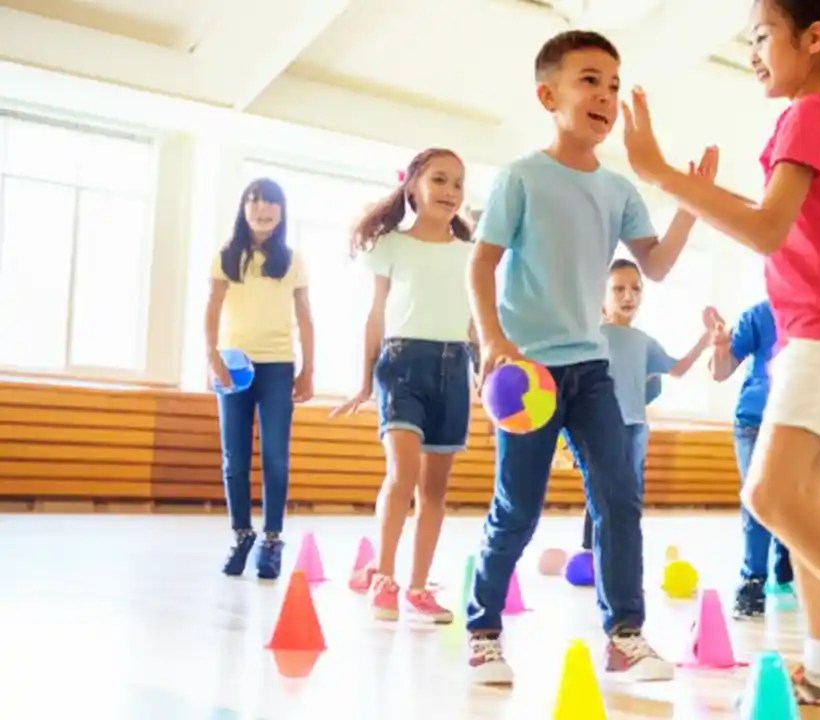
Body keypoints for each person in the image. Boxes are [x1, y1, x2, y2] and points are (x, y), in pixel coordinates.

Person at [619, 0, 820, 712]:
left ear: (815, 37)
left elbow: (767, 230)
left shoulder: (811, 114)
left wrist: (663, 176)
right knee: (802, 506)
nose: (752, 52)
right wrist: (686, 183)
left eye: (761, 36)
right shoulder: (814, 116)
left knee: (767, 496)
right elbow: (778, 223)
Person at [464, 30, 716, 685]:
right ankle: (483, 632)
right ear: (548, 95)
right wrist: (493, 341)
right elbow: (482, 263)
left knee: (619, 500)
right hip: (527, 376)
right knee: (516, 509)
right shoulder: (521, 177)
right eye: (589, 80)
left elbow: (655, 265)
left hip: (591, 369)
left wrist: (689, 203)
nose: (605, 94)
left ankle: (625, 635)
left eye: (612, 83)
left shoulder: (618, 189)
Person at [332, 148, 475, 623]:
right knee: (402, 475)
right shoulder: (389, 245)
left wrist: (486, 372)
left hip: (453, 369)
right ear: (414, 185)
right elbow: (375, 315)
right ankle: (384, 578)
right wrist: (363, 381)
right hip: (401, 365)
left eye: (457, 183)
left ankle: (417, 587)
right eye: (439, 180)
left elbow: (474, 324)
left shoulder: (470, 255)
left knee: (435, 490)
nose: (450, 192)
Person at [706, 302, 820, 634]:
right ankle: (753, 579)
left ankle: (788, 573)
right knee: (759, 502)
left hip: (805, 421)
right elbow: (720, 372)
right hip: (755, 421)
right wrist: (721, 348)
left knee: (797, 503)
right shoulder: (760, 313)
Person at [205, 178, 314, 580]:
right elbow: (212, 308)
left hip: (278, 365)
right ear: (243, 208)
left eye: (271, 202)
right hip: (234, 364)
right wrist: (211, 357)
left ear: (282, 212)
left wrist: (308, 370)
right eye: (255, 201)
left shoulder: (291, 260)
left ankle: (271, 539)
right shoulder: (227, 256)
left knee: (274, 455)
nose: (263, 209)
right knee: (234, 457)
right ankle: (241, 534)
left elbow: (305, 316)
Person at [578, 258, 710, 550]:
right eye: (619, 289)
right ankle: (591, 550)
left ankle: (624, 550)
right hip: (602, 426)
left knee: (630, 492)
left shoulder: (644, 342)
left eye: (636, 289)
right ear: (601, 296)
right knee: (601, 490)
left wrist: (706, 338)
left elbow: (678, 369)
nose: (629, 296)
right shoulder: (591, 337)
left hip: (636, 427)